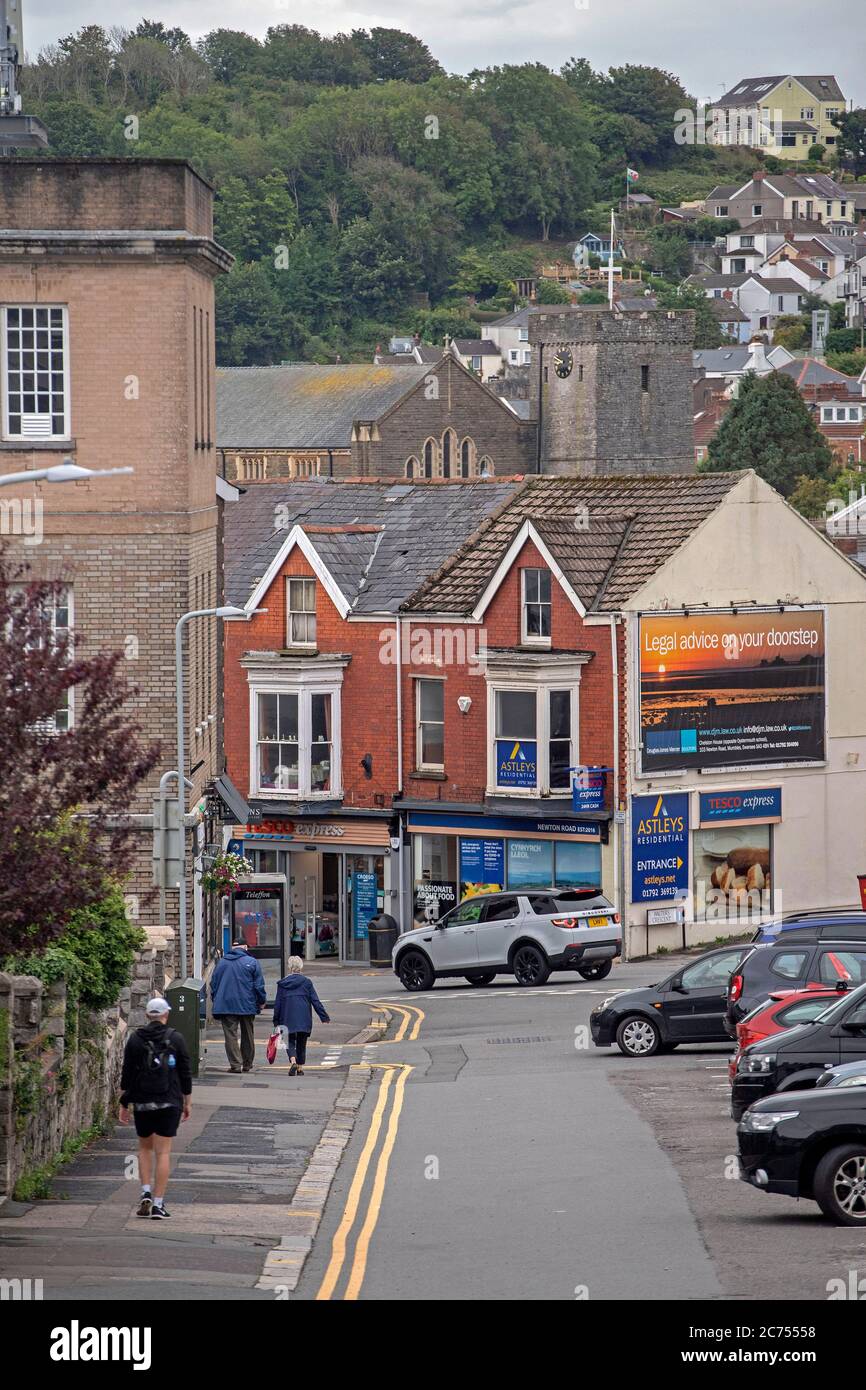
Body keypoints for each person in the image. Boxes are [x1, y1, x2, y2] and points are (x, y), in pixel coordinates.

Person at [119, 996, 192, 1220]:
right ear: (165, 1015)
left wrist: (124, 1103)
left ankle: (145, 1192)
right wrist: (187, 1101)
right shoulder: (176, 1038)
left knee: (145, 1149)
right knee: (163, 1152)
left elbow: (127, 1074)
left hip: (142, 1101)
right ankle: (159, 1204)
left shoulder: (135, 1039)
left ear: (147, 1015)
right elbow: (185, 1072)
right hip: (169, 1100)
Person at [210, 940, 266, 1073]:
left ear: (232, 948)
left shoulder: (222, 963)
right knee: (248, 1034)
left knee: (230, 1035)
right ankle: (247, 1064)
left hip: (226, 1003)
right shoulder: (252, 962)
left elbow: (213, 984)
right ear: (245, 947)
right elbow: (259, 985)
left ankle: (235, 1065)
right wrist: (261, 1000)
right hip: (247, 1004)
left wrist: (216, 999)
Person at [273, 956, 330, 1076]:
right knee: (301, 1042)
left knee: (290, 1041)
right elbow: (315, 1001)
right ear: (301, 967)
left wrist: (276, 1020)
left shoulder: (283, 984)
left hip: (287, 1017)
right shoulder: (307, 982)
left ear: (289, 967)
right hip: (304, 1018)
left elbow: (278, 1003)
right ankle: (299, 1067)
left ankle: (293, 1061)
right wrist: (323, 1016)